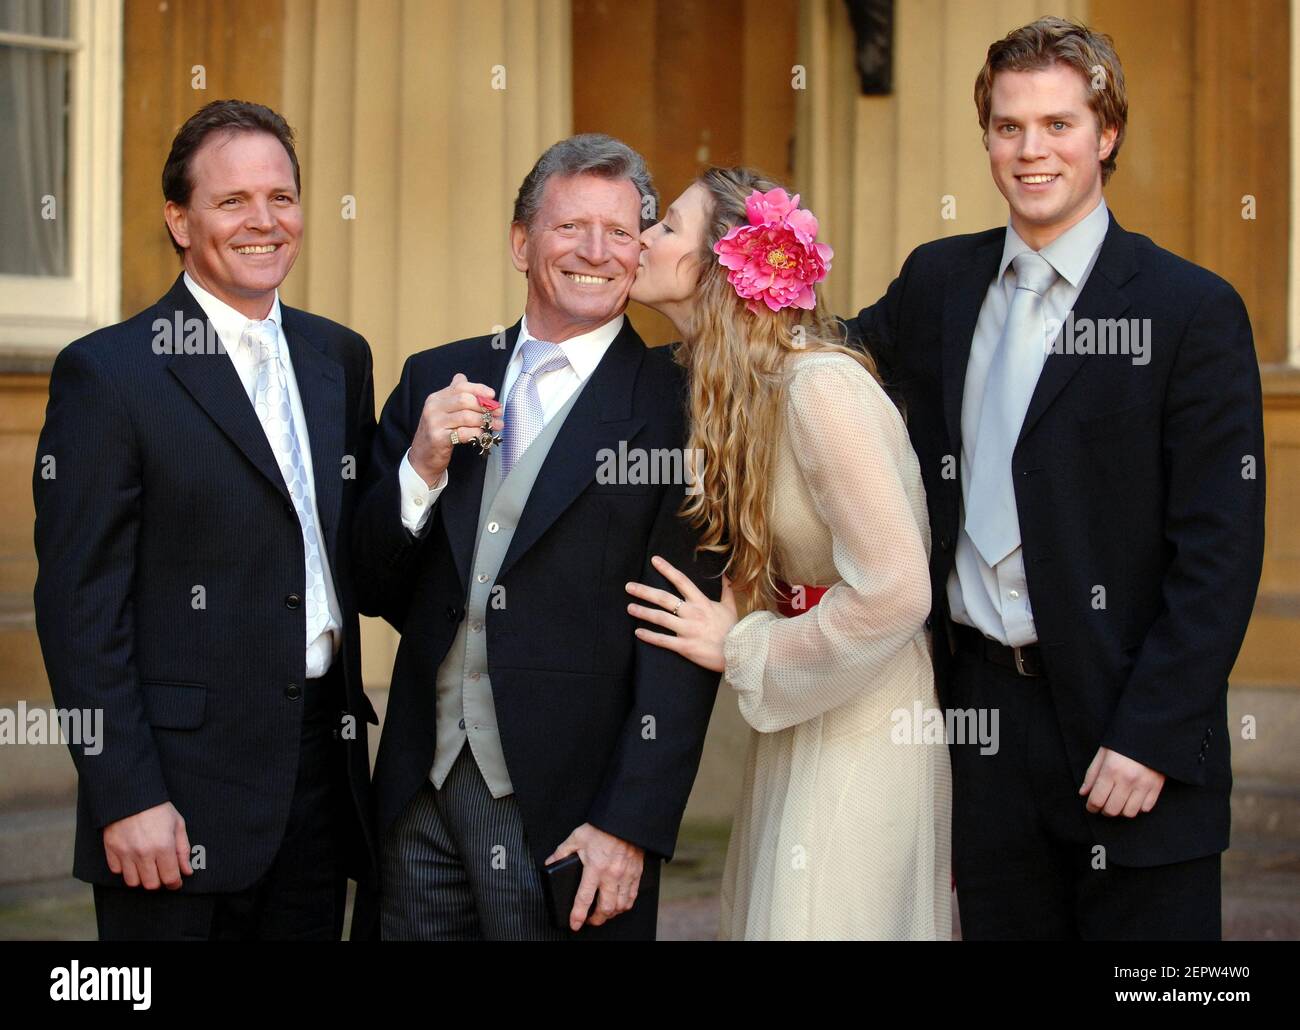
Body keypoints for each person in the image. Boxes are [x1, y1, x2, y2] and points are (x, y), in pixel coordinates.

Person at [842, 16, 1266, 939]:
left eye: (1058, 125)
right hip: (983, 717)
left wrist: (1151, 733)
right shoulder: (937, 283)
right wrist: (724, 272)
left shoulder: (1188, 310)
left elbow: (1220, 555)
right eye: (1008, 127)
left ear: (1106, 133)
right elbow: (824, 369)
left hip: (1131, 724)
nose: (1030, 151)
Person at [352, 134, 724, 941]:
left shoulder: (681, 406)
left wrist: (633, 822)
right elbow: (372, 586)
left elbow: (682, 642)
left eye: (622, 232)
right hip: (416, 794)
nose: (597, 252)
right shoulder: (434, 376)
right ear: (522, 242)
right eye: (570, 228)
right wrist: (420, 466)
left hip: (568, 815)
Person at [32, 99, 380, 940]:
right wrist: (126, 794)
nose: (265, 222)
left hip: (319, 779)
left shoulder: (341, 356)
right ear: (180, 221)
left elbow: (357, 554)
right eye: (232, 202)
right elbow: (80, 610)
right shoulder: (108, 375)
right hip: (174, 795)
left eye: (282, 197)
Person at [625, 167, 951, 939]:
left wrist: (744, 644)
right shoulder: (735, 388)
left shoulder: (819, 390)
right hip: (807, 709)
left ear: (720, 267)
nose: (642, 239)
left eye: (667, 226)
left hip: (866, 721)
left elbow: (899, 591)